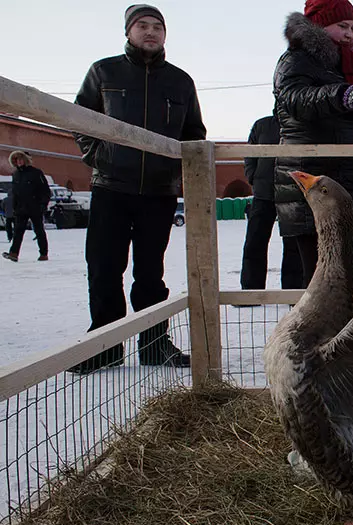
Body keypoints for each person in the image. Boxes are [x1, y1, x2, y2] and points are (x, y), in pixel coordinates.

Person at [71, 4, 207, 374]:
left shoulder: (180, 82)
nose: (151, 32)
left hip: (158, 193)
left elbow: (194, 134)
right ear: (128, 32)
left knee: (150, 272)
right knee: (103, 267)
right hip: (111, 187)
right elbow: (79, 117)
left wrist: (173, 169)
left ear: (165, 35)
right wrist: (98, 156)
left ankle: (154, 343)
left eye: (157, 27)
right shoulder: (104, 72)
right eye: (142, 26)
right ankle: (105, 344)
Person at [273, 0, 353, 289]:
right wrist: (343, 95)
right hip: (317, 185)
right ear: (320, 25)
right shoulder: (296, 59)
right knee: (322, 284)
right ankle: (318, 336)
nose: (350, 34)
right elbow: (295, 99)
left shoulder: (346, 63)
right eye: (342, 26)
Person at [239, 112, 303, 291]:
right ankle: (251, 290)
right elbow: (249, 154)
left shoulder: (301, 124)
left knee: (293, 245)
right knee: (255, 242)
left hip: (292, 191)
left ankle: (292, 291)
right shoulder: (262, 125)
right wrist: (253, 177)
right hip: (263, 192)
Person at [2, 151, 50, 263]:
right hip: (21, 208)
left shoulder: (36, 173)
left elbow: (45, 190)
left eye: (21, 159)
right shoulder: (16, 174)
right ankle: (14, 253)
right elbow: (15, 193)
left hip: (35, 207)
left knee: (39, 231)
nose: (19, 162)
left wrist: (43, 205)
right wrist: (15, 207)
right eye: (16, 159)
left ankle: (43, 253)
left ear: (26, 160)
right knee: (18, 231)